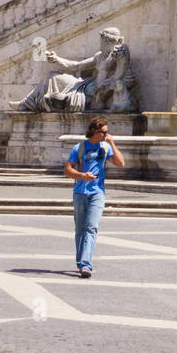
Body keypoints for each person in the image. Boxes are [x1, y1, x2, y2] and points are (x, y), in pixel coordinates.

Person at [63, 117, 124, 277]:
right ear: (95, 132)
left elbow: (120, 163)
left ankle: (85, 265)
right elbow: (68, 170)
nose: (106, 135)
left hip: (98, 192)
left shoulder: (105, 147)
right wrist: (82, 176)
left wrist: (112, 143)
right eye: (104, 132)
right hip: (80, 192)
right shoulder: (80, 147)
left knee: (91, 228)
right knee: (80, 230)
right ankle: (80, 262)